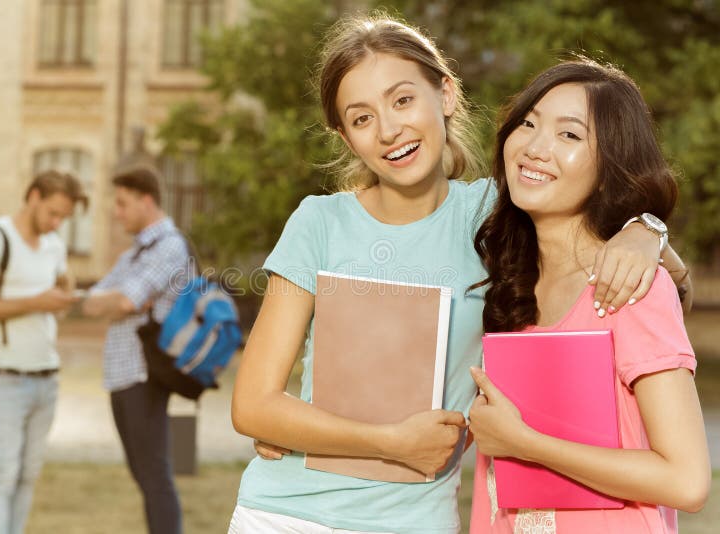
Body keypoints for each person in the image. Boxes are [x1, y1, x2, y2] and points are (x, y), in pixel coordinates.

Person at [229, 15, 686, 534]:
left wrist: (646, 228)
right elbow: (253, 406)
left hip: (417, 521)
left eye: (402, 100)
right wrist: (389, 442)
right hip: (283, 515)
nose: (388, 130)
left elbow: (631, 259)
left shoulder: (497, 215)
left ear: (445, 94)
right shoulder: (319, 223)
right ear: (344, 136)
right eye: (361, 118)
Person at [467, 59, 710, 533]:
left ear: (608, 170)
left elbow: (687, 481)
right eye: (529, 123)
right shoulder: (510, 283)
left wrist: (524, 443)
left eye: (570, 136)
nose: (536, 147)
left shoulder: (629, 286)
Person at [0, 170, 87, 534]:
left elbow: (63, 284)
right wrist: (36, 301)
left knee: (28, 477)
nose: (57, 222)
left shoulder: (54, 244)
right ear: (32, 197)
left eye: (64, 216)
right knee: (2, 475)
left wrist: (64, 289)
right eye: (52, 213)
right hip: (5, 378)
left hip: (47, 377)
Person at [82, 167, 190, 534]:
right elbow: (91, 301)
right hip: (123, 375)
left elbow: (127, 300)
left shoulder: (169, 246)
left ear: (147, 201)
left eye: (123, 203)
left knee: (155, 476)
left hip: (146, 375)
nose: (117, 212)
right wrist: (117, 301)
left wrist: (121, 301)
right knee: (144, 476)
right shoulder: (135, 253)